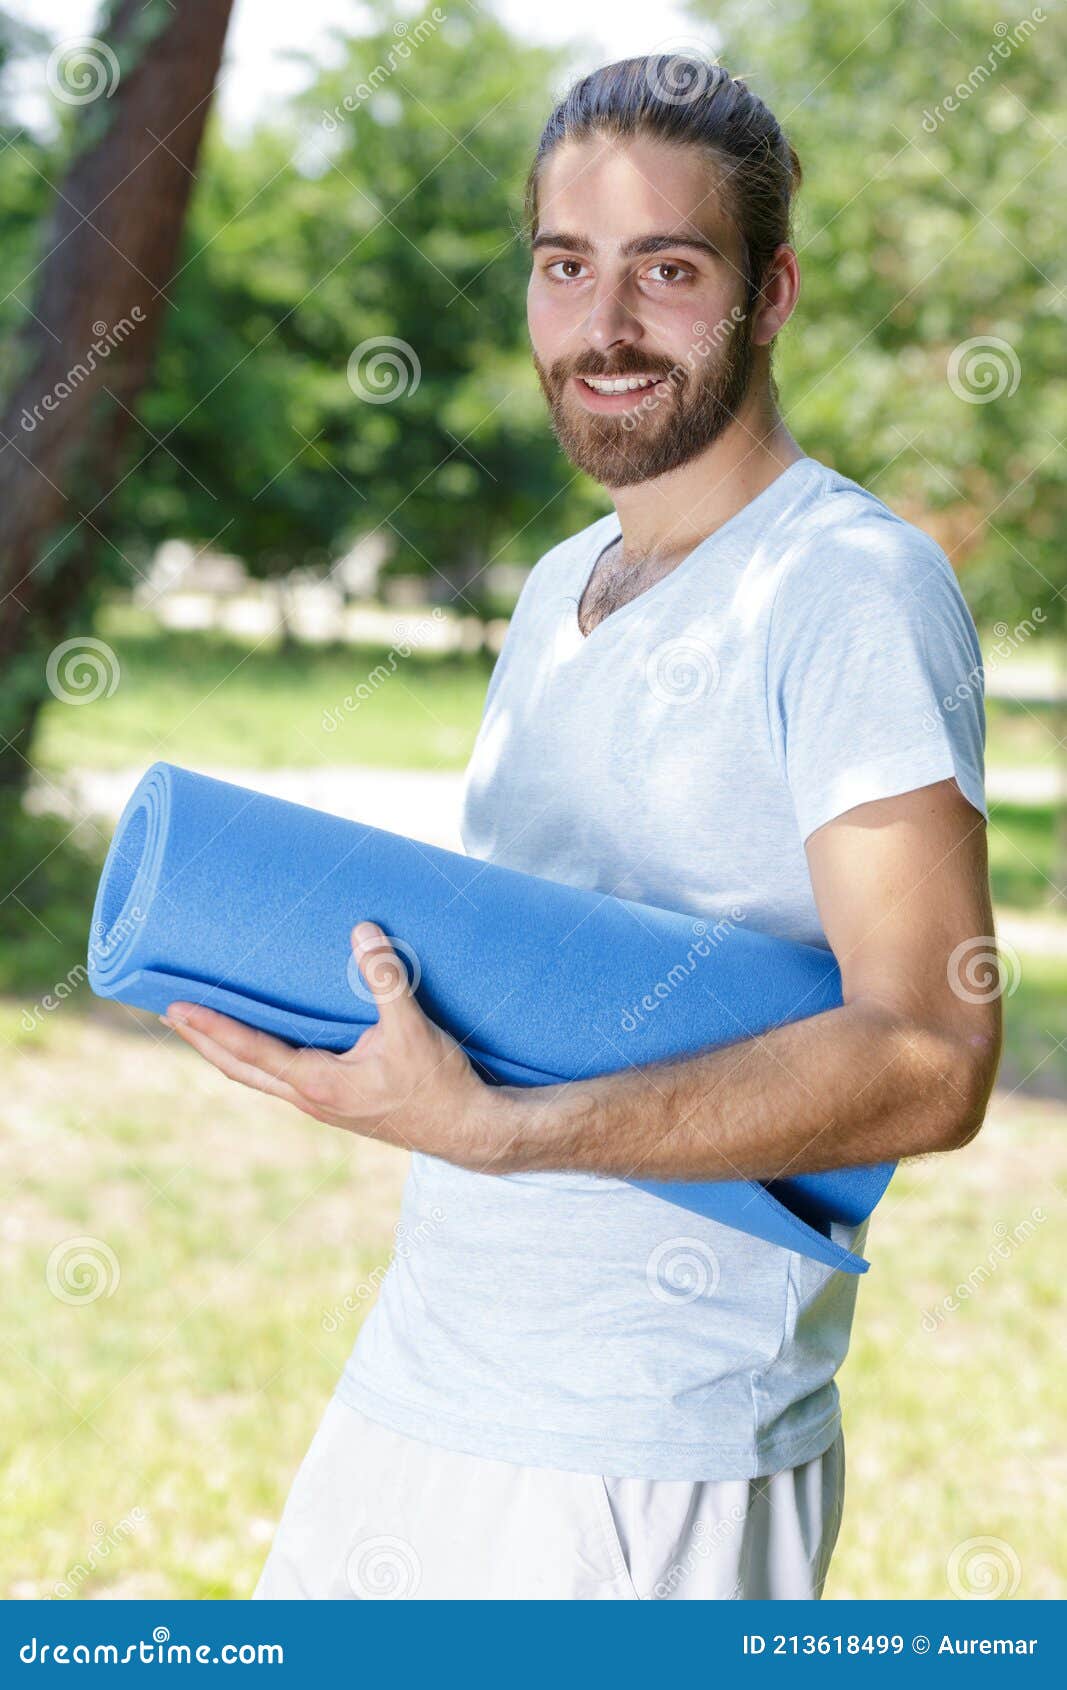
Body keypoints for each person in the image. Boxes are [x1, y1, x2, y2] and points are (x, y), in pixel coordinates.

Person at [163, 56, 1001, 1600]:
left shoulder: (850, 590)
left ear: (770, 294)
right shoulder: (562, 583)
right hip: (423, 1379)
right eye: (567, 266)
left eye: (668, 271)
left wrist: (510, 1134)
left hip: (648, 1456)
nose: (605, 326)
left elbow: (934, 1054)